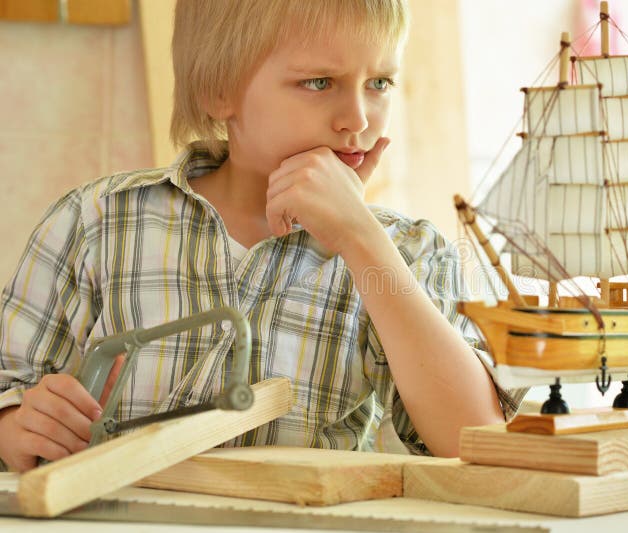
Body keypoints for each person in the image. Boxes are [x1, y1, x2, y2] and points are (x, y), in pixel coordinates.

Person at [0, 0, 524, 472]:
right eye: (319, 82)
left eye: (380, 82)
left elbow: (476, 441)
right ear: (218, 91)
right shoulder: (96, 221)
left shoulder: (409, 253)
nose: (358, 119)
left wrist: (362, 239)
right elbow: (9, 394)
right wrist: (15, 427)